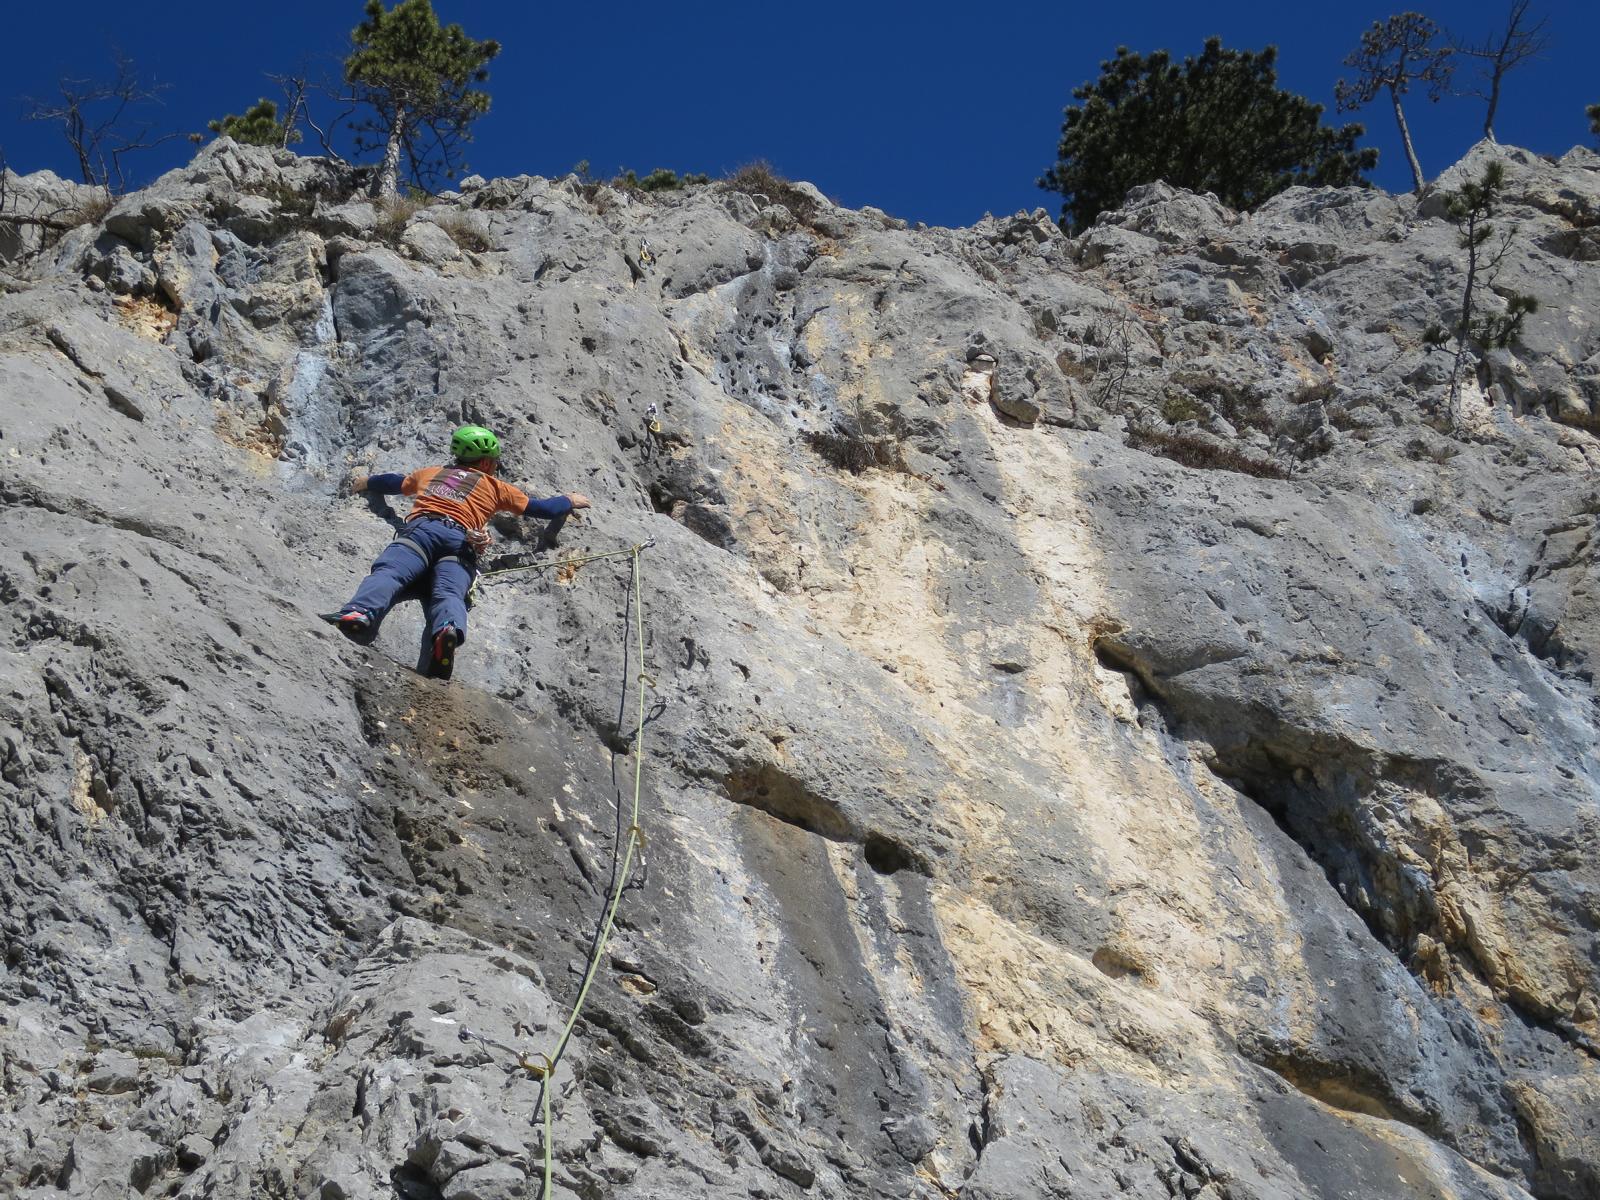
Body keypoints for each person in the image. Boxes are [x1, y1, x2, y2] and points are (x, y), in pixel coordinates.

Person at [321, 424, 591, 678]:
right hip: (461, 543)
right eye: (495, 462)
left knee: (390, 573)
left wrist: (366, 481)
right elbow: (543, 509)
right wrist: (569, 499)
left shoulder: (432, 473)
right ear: (485, 463)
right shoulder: (497, 487)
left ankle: (359, 612)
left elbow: (394, 483)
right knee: (450, 593)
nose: (496, 467)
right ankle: (446, 630)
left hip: (422, 532)